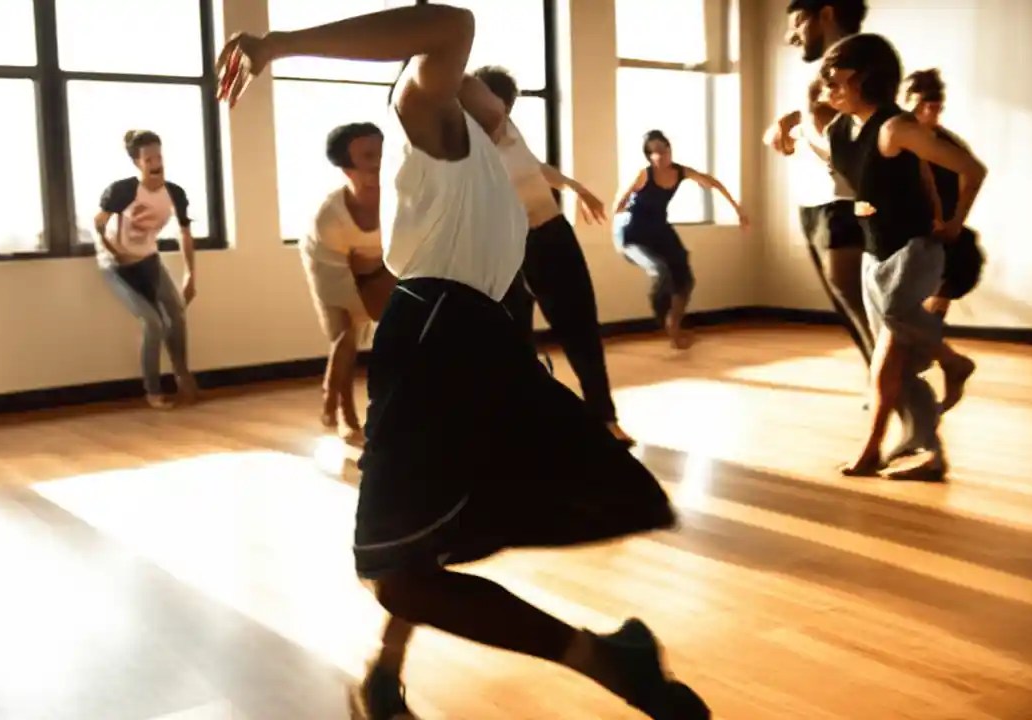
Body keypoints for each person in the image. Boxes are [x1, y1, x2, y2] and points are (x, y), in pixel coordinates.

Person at [216, 6, 708, 720]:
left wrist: (275, 43)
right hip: (477, 337)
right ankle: (386, 675)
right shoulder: (492, 167)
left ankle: (602, 658)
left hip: (442, 340)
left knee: (394, 568)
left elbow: (447, 22)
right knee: (419, 542)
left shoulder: (434, 125)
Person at [816, 34, 984, 481]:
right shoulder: (842, 129)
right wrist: (786, 126)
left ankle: (951, 363)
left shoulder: (897, 128)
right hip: (876, 254)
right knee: (899, 364)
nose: (827, 83)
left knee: (891, 329)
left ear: (864, 76)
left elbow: (971, 169)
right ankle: (927, 451)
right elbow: (875, 174)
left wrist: (950, 223)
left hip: (915, 251)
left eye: (835, 76)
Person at [471, 65, 633, 443]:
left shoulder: (509, 130)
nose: (499, 116)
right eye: (492, 108)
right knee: (514, 337)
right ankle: (524, 424)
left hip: (550, 234)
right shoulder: (461, 142)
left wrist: (575, 186)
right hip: (503, 244)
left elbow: (533, 166)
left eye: (505, 107)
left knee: (580, 328)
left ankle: (604, 417)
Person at [765, 1, 875, 368]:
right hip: (814, 202)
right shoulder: (826, 72)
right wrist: (789, 121)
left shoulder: (861, 63)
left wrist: (800, 122)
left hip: (843, 201)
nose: (789, 36)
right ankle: (884, 387)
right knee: (848, 307)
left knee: (864, 307)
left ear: (826, 14)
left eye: (797, 23)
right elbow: (818, 118)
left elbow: (869, 123)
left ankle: (904, 396)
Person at [300, 122, 396, 440]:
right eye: (369, 155)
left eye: (383, 151)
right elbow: (344, 275)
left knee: (403, 322)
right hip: (329, 261)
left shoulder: (404, 194)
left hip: (379, 259)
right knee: (345, 334)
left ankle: (394, 409)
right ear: (347, 169)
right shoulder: (330, 218)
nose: (380, 161)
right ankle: (343, 410)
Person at [613, 130, 748, 349]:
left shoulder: (681, 172)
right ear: (649, 156)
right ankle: (661, 316)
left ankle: (674, 324)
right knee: (660, 270)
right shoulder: (643, 174)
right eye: (655, 152)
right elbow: (618, 204)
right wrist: (621, 206)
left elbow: (712, 182)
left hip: (659, 230)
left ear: (670, 149)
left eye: (664, 149)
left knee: (685, 279)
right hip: (632, 233)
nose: (662, 155)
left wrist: (737, 209)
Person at [93, 130, 199, 410]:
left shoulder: (174, 193)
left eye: (159, 156)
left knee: (176, 313)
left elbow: (185, 233)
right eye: (149, 158)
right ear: (138, 163)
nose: (156, 163)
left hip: (149, 259)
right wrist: (116, 252)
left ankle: (182, 374)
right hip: (116, 266)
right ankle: (153, 391)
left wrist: (190, 275)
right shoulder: (123, 190)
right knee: (153, 322)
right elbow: (99, 223)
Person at [901, 69, 986, 318]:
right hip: (899, 228)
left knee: (960, 258)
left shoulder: (951, 145)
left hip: (938, 229)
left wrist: (955, 224)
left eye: (935, 107)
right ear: (907, 102)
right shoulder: (892, 138)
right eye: (922, 105)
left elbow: (972, 177)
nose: (928, 112)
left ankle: (931, 330)